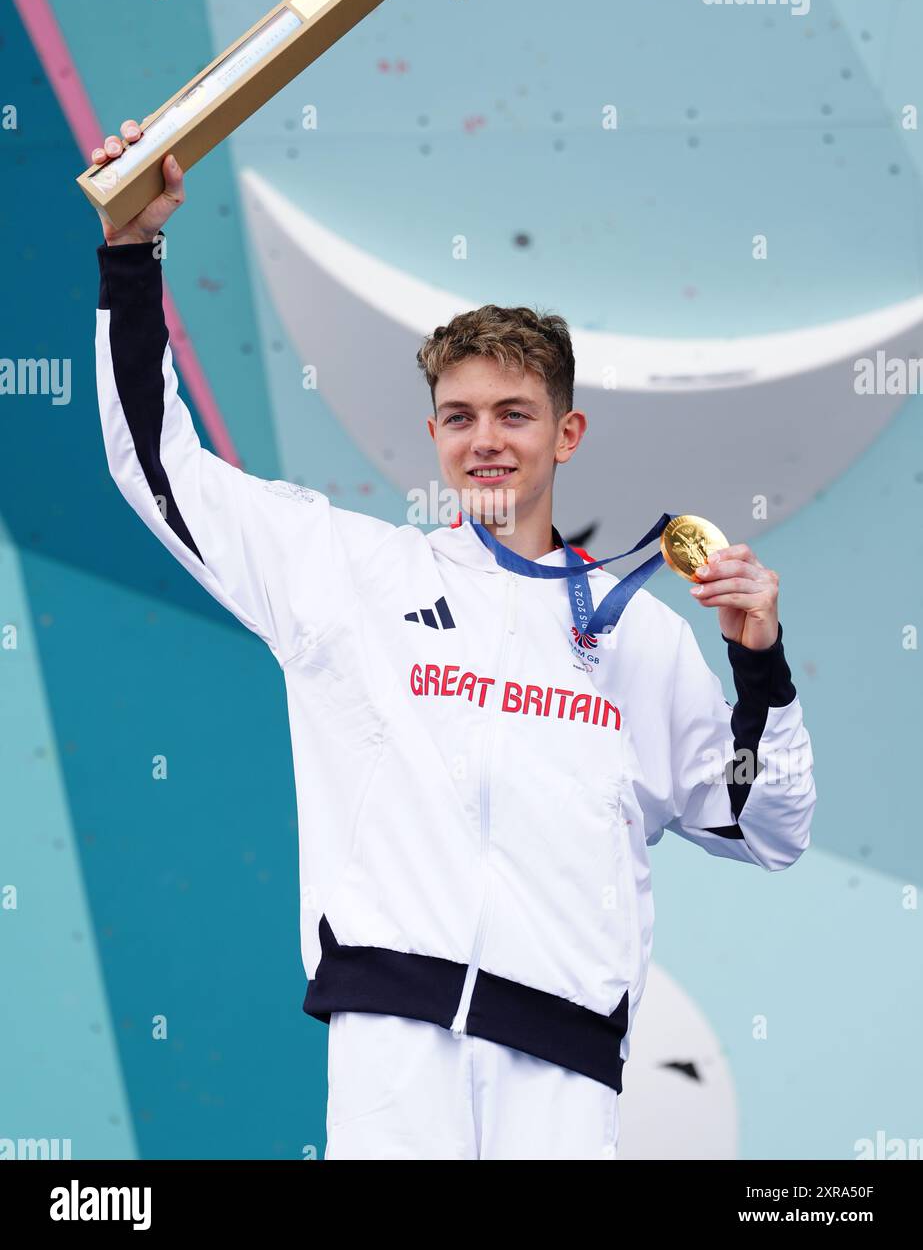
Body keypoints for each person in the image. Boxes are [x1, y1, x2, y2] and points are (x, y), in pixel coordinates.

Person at [91, 122, 817, 1160]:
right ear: (432, 432)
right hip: (391, 1040)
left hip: (562, 1066)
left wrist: (758, 663)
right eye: (459, 414)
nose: (485, 440)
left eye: (515, 414)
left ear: (565, 434)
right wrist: (130, 254)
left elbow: (763, 823)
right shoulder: (348, 576)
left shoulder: (640, 638)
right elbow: (161, 471)